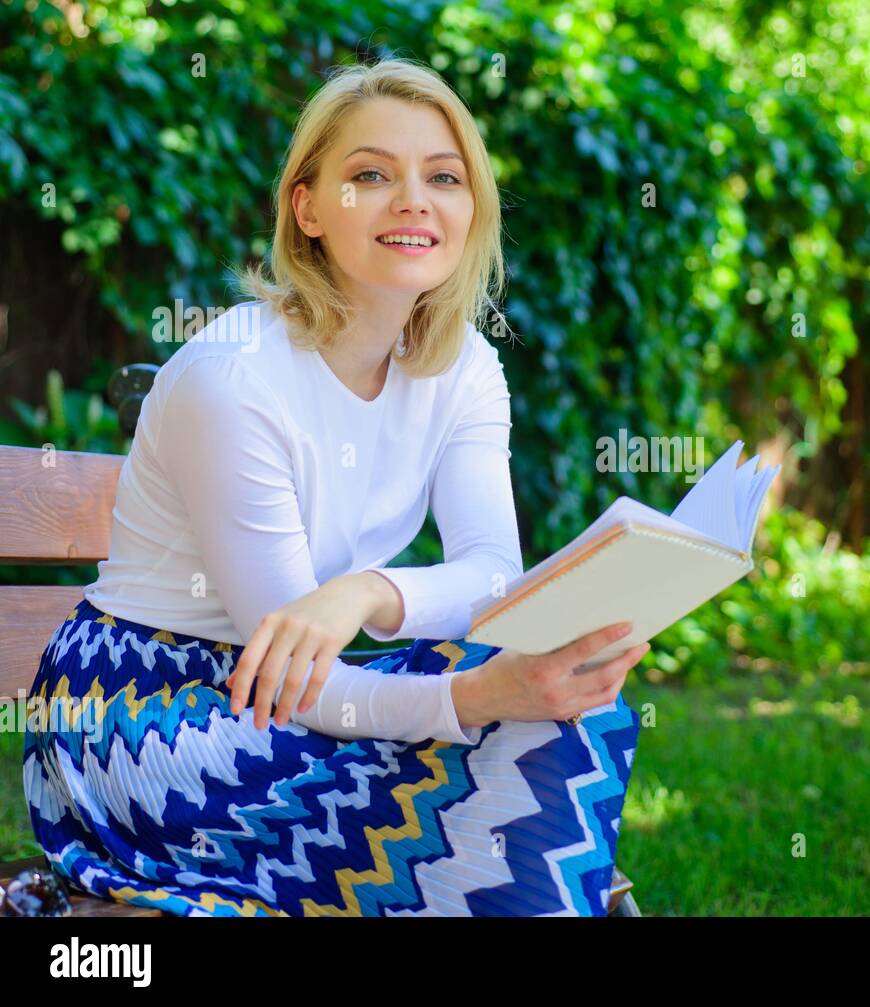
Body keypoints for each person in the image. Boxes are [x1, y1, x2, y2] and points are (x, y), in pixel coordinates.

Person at [22, 58, 647, 917]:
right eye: (370, 176)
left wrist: (364, 595)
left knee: (569, 711)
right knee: (468, 738)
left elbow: (493, 575)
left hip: (293, 684)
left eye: (444, 176)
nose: (414, 200)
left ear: (472, 209)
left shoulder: (466, 367)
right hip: (146, 710)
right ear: (307, 208)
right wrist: (468, 695)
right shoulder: (232, 380)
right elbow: (293, 683)